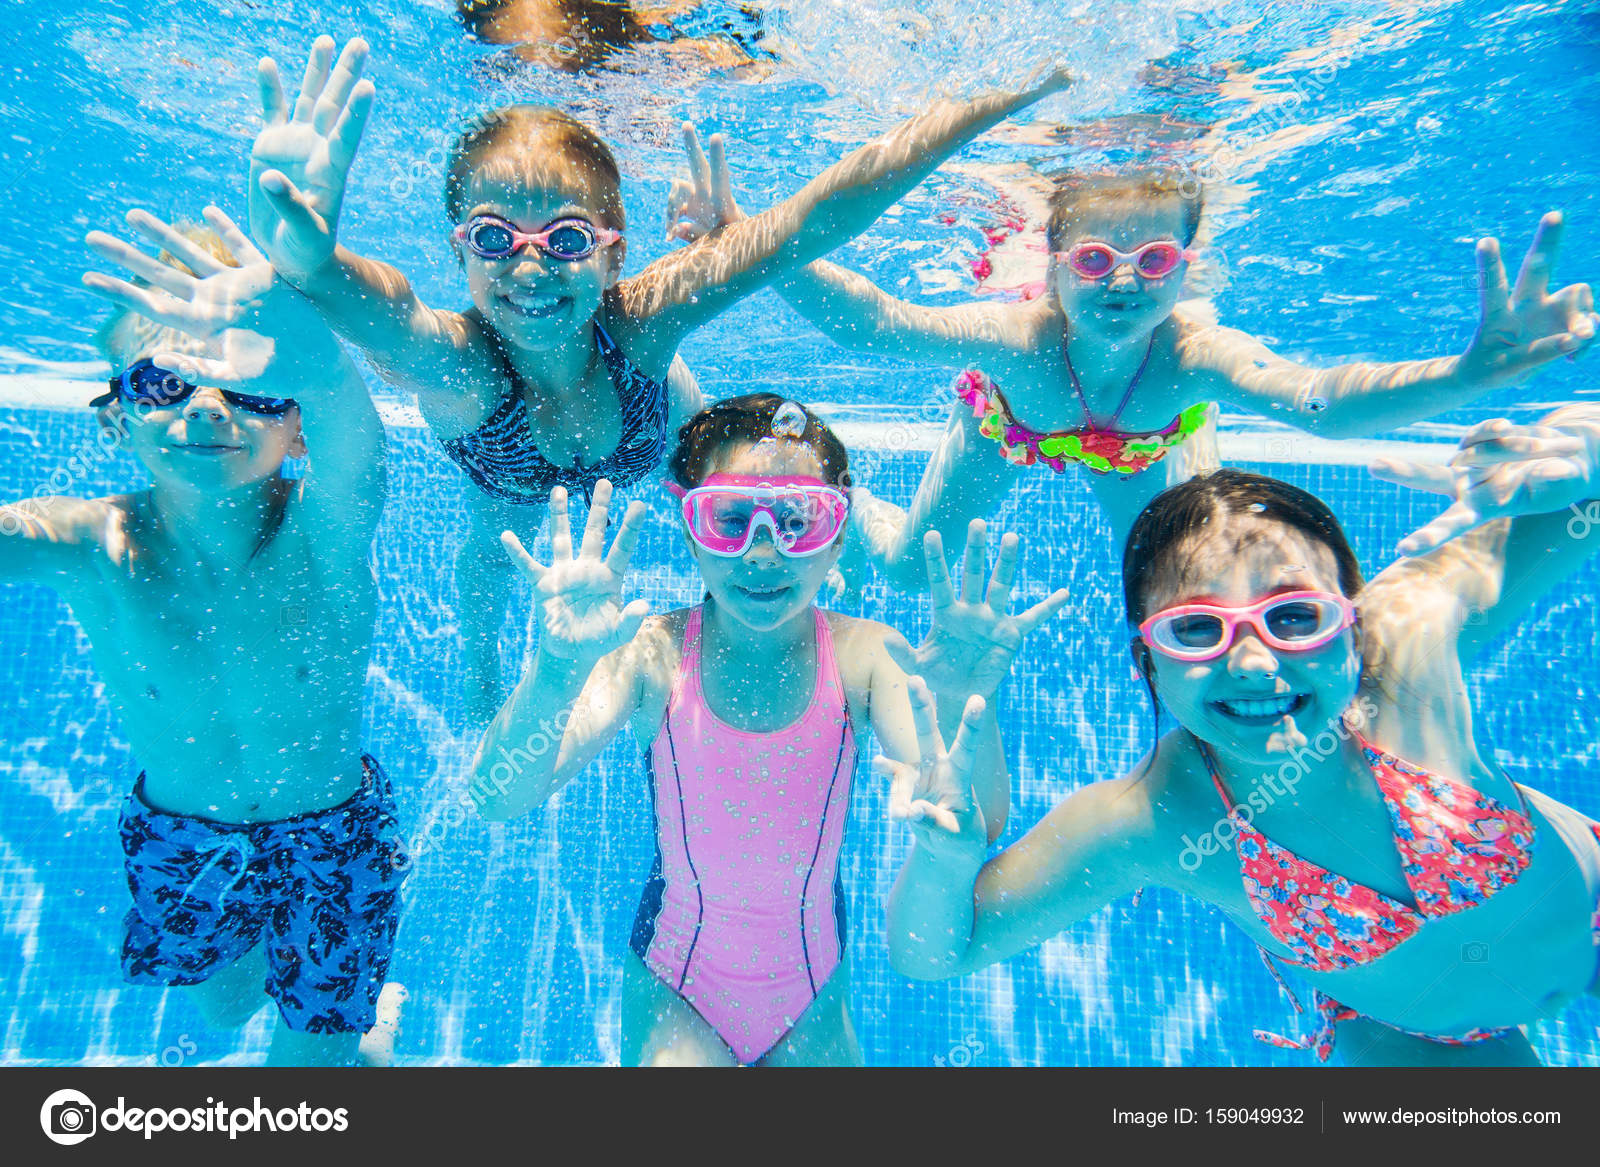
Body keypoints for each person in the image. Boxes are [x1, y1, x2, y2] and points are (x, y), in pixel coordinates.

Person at [244, 35, 1068, 716]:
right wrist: (310, 254)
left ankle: (836, 521)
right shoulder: (462, 364)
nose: (530, 267)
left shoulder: (640, 321)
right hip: (511, 480)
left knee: (740, 482)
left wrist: (982, 106)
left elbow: (811, 219)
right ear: (459, 251)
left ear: (613, 252)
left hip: (660, 430)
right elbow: (382, 311)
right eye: (495, 238)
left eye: (565, 239)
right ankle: (477, 661)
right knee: (490, 556)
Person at [883, 406, 1600, 1066]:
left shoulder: (1412, 638)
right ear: (1150, 663)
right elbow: (934, 954)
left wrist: (1584, 450)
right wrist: (944, 861)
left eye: (1293, 617)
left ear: (1351, 618)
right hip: (1424, 1041)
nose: (1255, 664)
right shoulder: (1154, 817)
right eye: (1196, 630)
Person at [667, 139, 1600, 589]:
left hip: (1148, 445)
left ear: (1185, 268)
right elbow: (876, 325)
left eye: (1153, 261)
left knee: (1182, 581)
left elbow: (1316, 402)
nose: (1122, 283)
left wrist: (1467, 376)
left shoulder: (1191, 352)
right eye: (1093, 260)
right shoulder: (1022, 343)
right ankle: (857, 508)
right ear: (1052, 265)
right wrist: (746, 241)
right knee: (913, 570)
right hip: (1011, 427)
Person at [471, 394, 1067, 1065]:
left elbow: (976, 815)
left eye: (797, 521)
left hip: (812, 999)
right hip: (676, 988)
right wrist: (555, 671)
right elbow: (497, 795)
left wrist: (960, 700)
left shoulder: (867, 656)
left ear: (837, 536)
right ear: (690, 526)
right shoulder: (650, 655)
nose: (763, 553)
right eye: (728, 519)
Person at [0, 207, 405, 1066]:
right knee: (223, 1008)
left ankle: (351, 1028)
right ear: (117, 416)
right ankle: (346, 1023)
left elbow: (355, 433)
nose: (209, 408)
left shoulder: (325, 533)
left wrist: (296, 327)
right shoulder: (91, 544)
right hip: (183, 839)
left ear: (296, 426)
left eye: (252, 388)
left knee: (306, 1074)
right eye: (164, 384)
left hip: (329, 834)